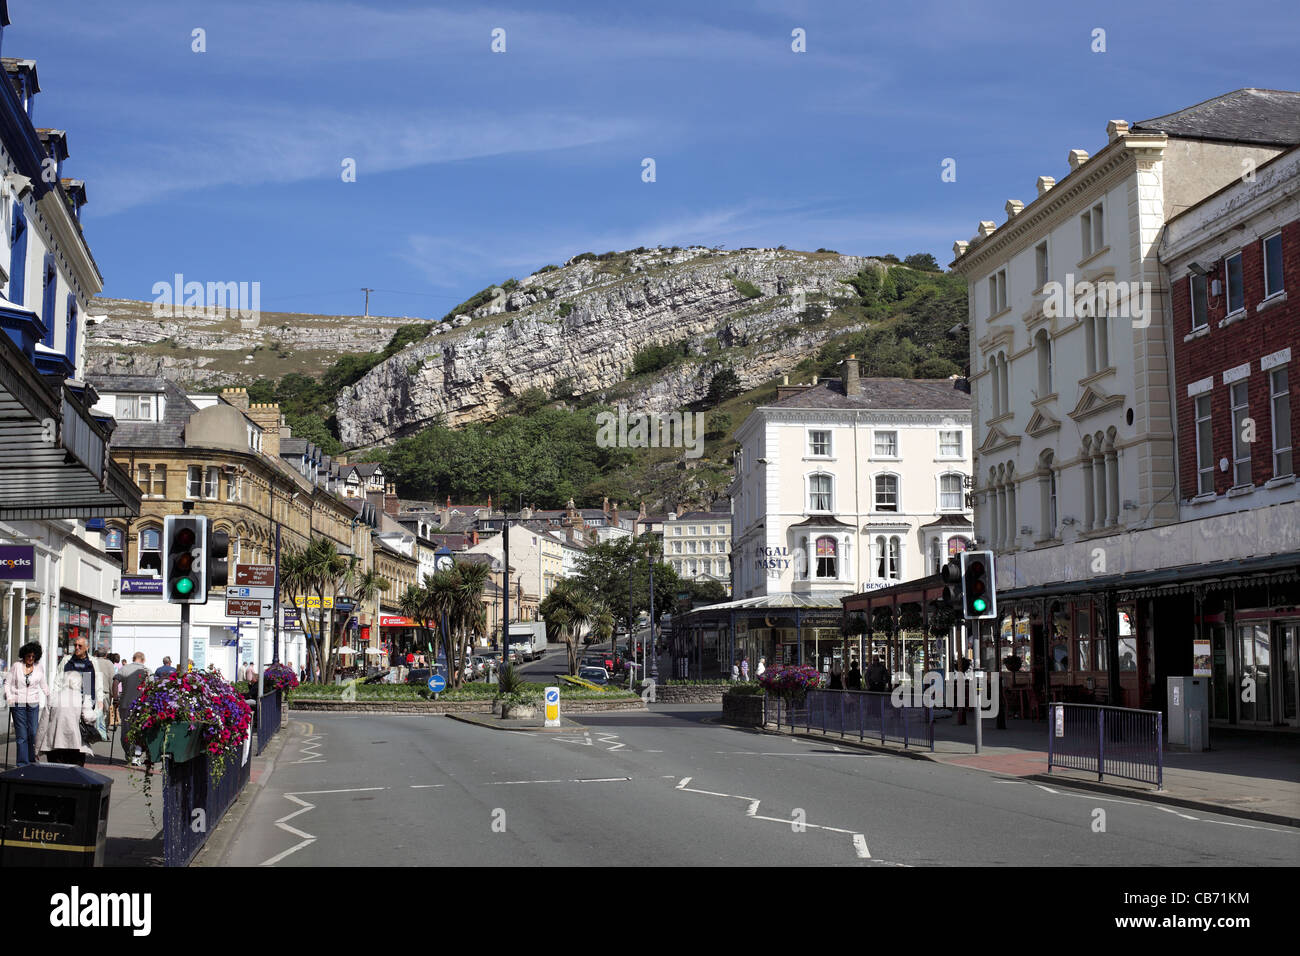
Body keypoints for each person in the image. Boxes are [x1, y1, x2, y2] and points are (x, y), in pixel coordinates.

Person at [37, 635, 105, 766]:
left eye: (80, 646)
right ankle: (66, 752)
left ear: (87, 648)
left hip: (85, 690)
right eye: (75, 645)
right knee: (67, 726)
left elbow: (98, 682)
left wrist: (100, 699)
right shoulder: (67, 660)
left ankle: (76, 752)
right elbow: (58, 679)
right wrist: (55, 695)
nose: (77, 648)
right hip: (68, 692)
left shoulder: (92, 662)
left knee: (82, 728)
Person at [4, 642, 49, 766]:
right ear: (24, 655)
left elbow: (43, 684)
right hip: (18, 704)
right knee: (22, 735)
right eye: (28, 656)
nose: (30, 659)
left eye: (33, 657)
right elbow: (7, 683)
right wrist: (9, 697)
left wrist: (50, 696)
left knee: (33, 733)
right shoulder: (16, 666)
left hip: (33, 703)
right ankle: (22, 764)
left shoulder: (39, 667)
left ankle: (31, 759)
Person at [113, 652, 150, 765]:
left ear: (133, 659)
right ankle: (136, 755)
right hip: (140, 706)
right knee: (139, 731)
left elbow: (115, 682)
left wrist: (115, 699)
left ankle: (129, 754)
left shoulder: (124, 669)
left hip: (125, 704)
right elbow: (151, 687)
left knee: (125, 731)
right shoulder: (146, 671)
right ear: (143, 660)